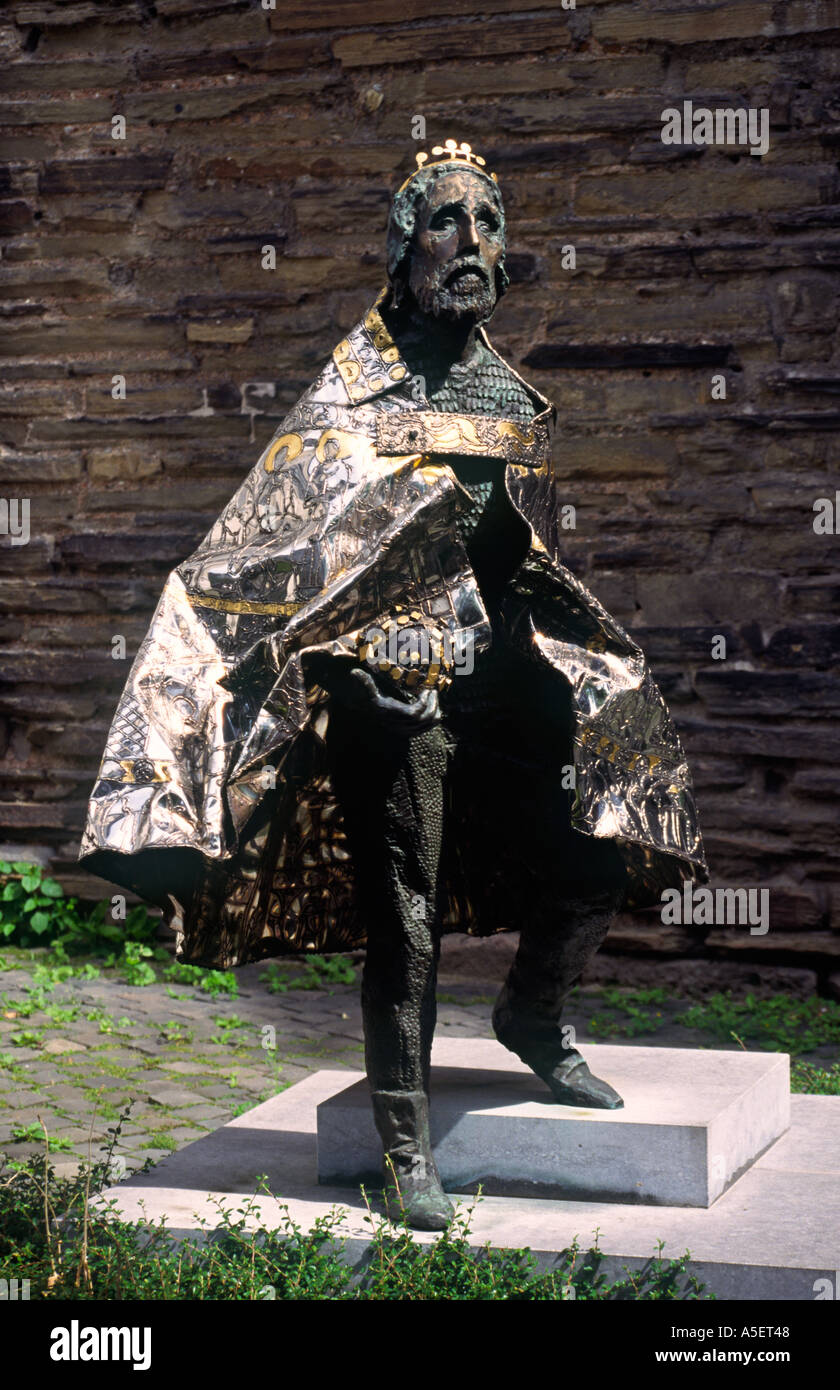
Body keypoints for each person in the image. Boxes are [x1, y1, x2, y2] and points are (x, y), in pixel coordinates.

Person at [80, 141, 707, 1231]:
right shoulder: (351, 392)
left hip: (496, 680)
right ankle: (406, 1139)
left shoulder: (510, 393)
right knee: (404, 920)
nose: (471, 246)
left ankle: (533, 1017)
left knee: (602, 830)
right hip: (386, 690)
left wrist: (571, 672)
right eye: (445, 223)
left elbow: (525, 560)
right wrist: (342, 669)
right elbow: (255, 562)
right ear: (402, 247)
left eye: (487, 225)